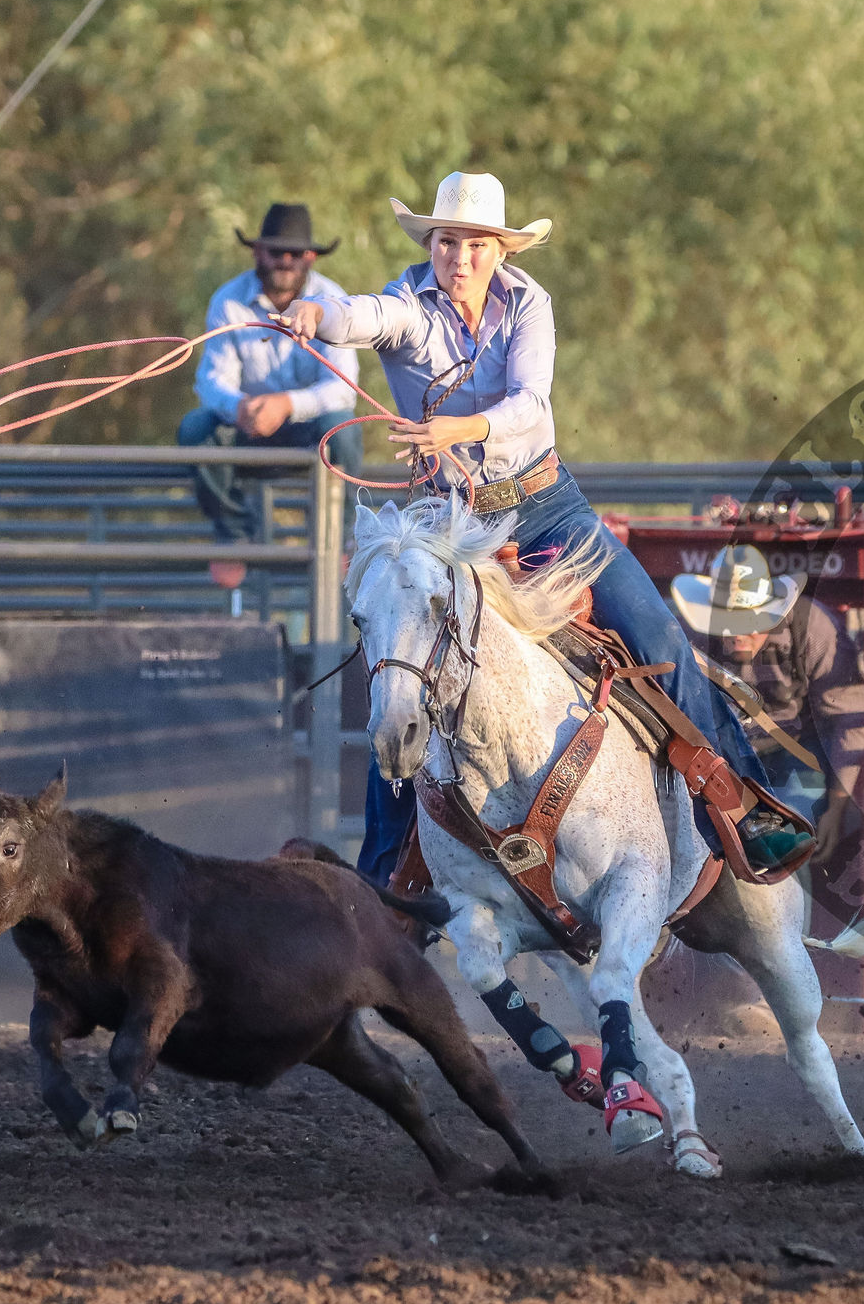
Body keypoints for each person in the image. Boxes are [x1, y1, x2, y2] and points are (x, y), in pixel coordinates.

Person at [279, 170, 807, 881]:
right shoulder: (408, 303)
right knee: (405, 680)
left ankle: (738, 807)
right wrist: (318, 317)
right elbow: (360, 315)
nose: (457, 256)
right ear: (430, 245)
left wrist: (453, 427)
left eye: (472, 243)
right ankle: (385, 879)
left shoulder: (530, 305)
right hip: (454, 525)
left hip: (546, 505)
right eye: (445, 241)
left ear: (500, 250)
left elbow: (530, 401)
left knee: (657, 636)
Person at [181, 203, 363, 587]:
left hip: (309, 436)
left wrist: (286, 405)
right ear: (257, 252)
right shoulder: (228, 301)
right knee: (196, 428)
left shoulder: (334, 302)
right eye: (275, 251)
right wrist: (240, 406)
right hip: (247, 429)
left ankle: (342, 539)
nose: (285, 261)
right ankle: (233, 537)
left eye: (294, 253)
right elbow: (211, 381)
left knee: (344, 428)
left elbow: (343, 387)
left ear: (310, 256)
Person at [671, 545, 864, 872]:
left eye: (751, 622)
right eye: (728, 622)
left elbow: (848, 719)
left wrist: (838, 804)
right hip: (718, 753)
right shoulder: (688, 635)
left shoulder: (812, 629)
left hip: (797, 751)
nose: (738, 635)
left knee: (786, 833)